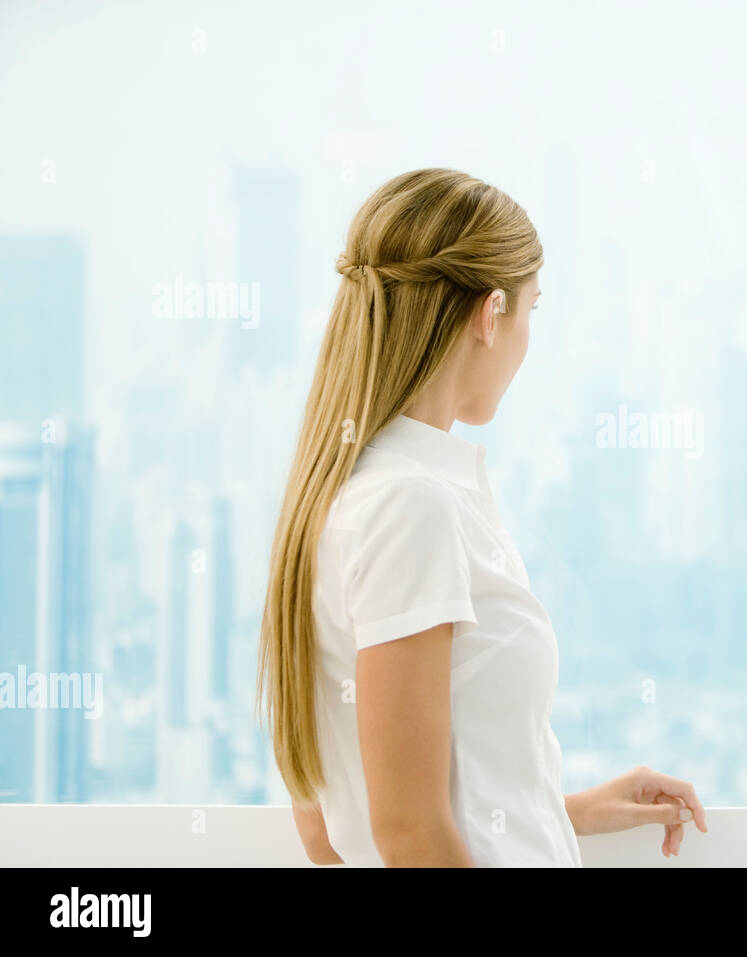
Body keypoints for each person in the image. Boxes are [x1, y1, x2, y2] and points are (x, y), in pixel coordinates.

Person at [258, 168, 707, 866]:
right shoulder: (412, 506)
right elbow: (407, 831)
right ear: (489, 313)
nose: (528, 337)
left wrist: (572, 813)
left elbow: (333, 826)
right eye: (532, 309)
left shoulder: (355, 494)